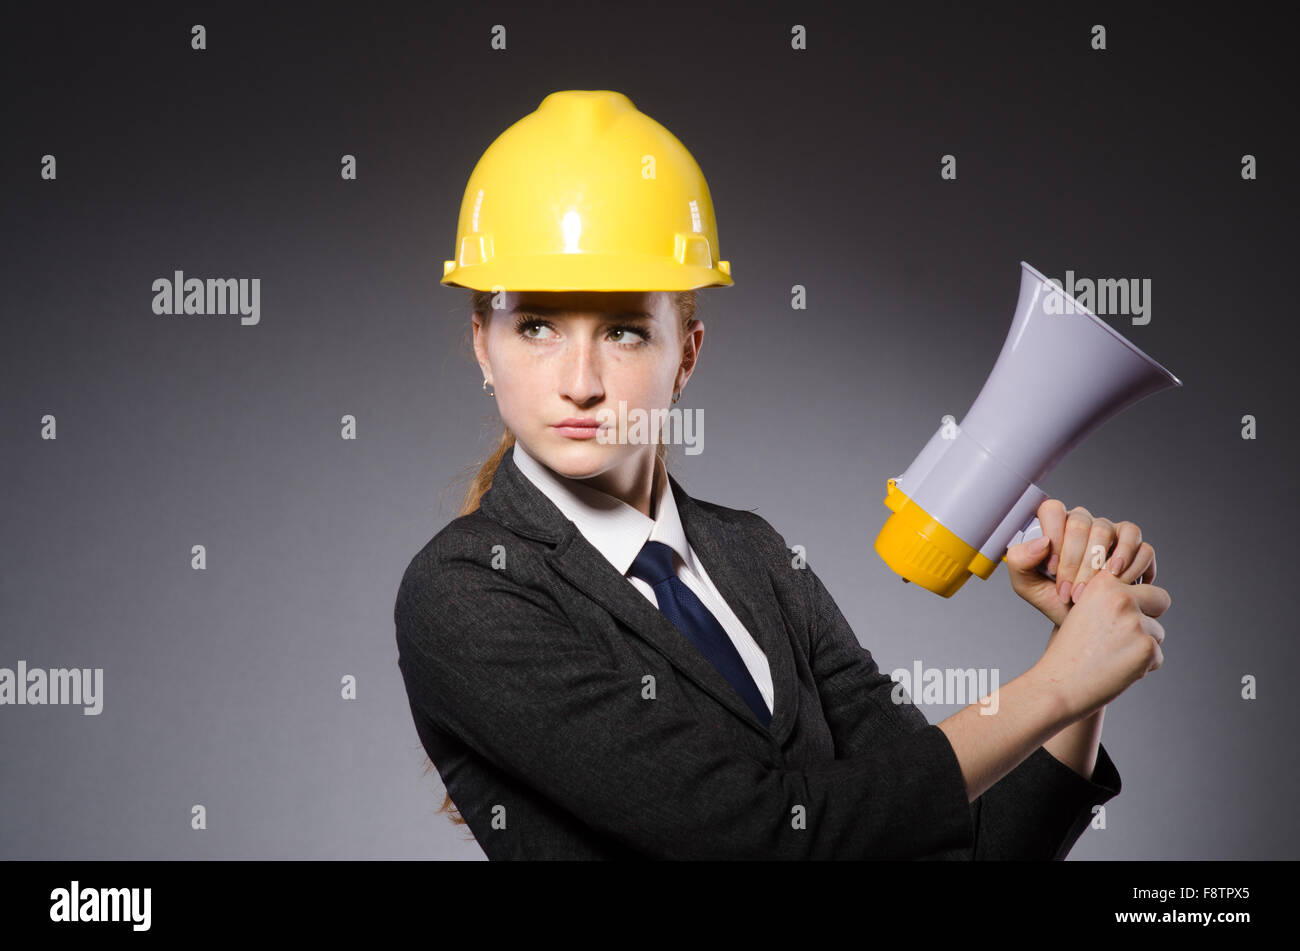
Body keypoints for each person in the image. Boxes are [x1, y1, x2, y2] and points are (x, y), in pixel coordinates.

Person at [393, 90, 1171, 860]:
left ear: (687, 354)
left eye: (625, 330)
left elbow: (961, 841)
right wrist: (1053, 687)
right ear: (482, 344)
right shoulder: (463, 590)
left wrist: (1081, 669)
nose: (581, 380)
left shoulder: (757, 557)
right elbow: (756, 835)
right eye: (536, 326)